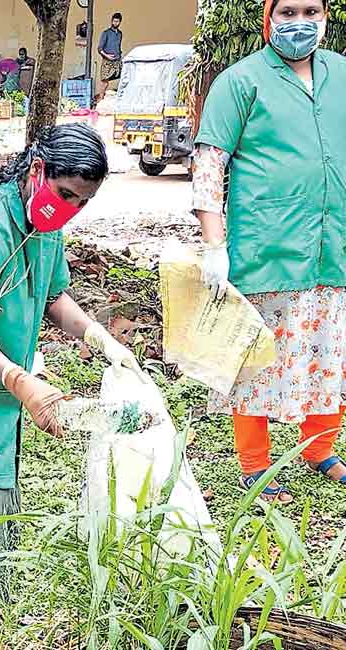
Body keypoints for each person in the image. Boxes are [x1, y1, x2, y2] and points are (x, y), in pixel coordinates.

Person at [0, 124, 140, 641]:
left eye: (83, 202)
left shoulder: (47, 222)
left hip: (1, 397)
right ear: (37, 170)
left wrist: (98, 337)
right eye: (66, 195)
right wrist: (21, 380)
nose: (71, 209)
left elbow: (54, 297)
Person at [193, 0, 345, 504]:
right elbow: (210, 165)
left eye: (311, 10)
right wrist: (214, 244)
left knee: (330, 351)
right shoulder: (240, 82)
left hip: (334, 242)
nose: (300, 22)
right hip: (267, 247)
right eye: (288, 11)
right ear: (268, 17)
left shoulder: (342, 74)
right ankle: (255, 465)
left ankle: (318, 448)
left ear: (325, 17)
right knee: (257, 361)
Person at [97, 13, 124, 101]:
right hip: (107, 61)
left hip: (117, 61)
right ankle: (100, 99)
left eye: (117, 21)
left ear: (120, 22)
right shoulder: (106, 33)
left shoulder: (120, 33)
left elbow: (118, 46)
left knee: (122, 77)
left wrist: (120, 56)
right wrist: (107, 56)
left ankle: (118, 98)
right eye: (114, 21)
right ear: (111, 21)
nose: (115, 23)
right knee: (105, 82)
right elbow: (100, 48)